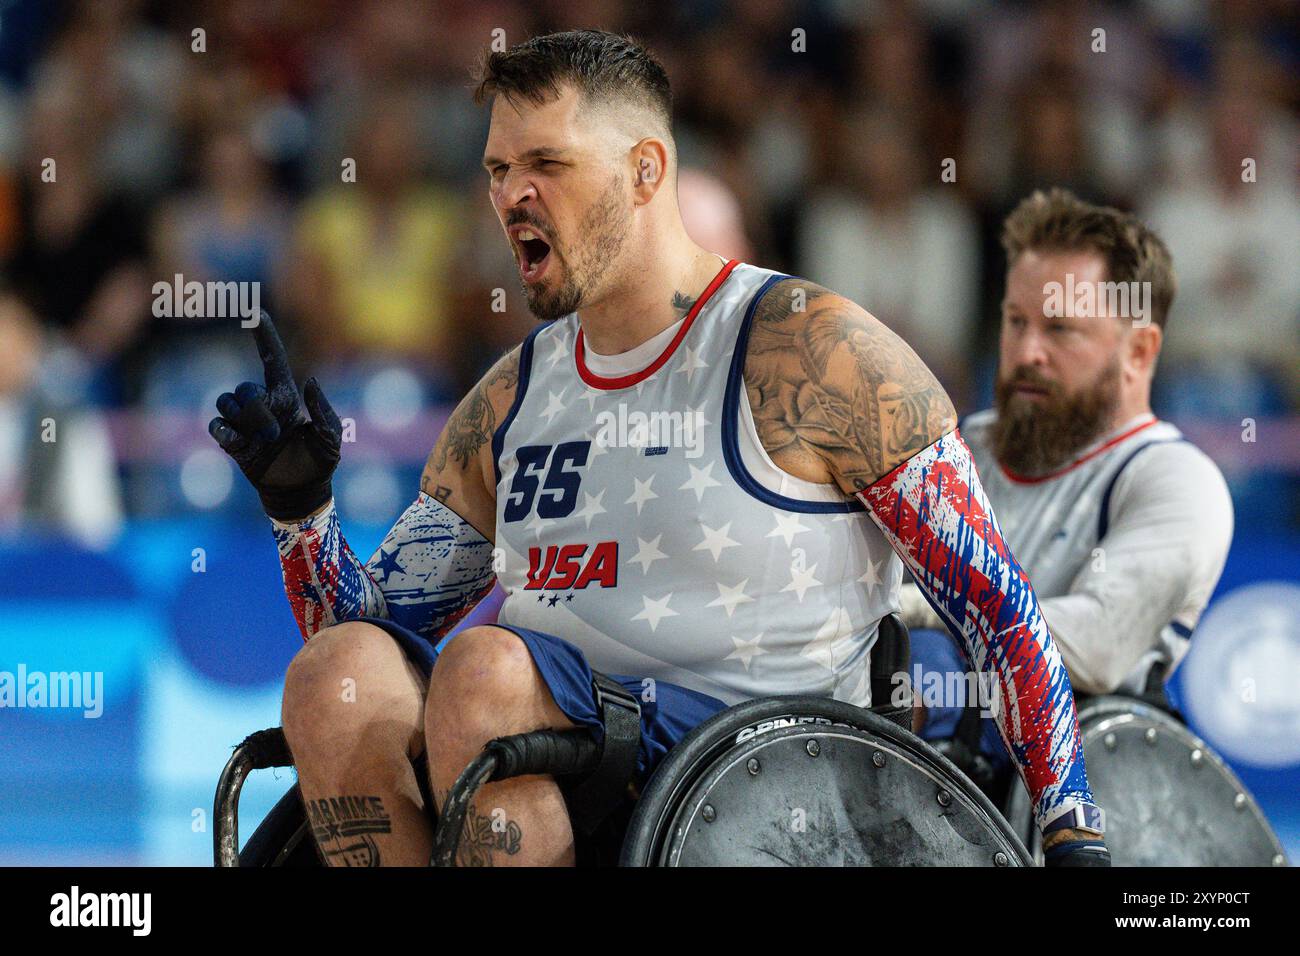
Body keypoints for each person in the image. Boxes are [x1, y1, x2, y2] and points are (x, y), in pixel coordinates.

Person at [209, 31, 1107, 867]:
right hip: (560, 765)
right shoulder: (510, 398)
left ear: (647, 170)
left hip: (784, 785)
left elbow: (998, 607)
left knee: (482, 674)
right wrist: (301, 510)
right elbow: (371, 640)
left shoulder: (811, 351)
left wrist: (1073, 837)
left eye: (546, 164)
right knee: (336, 680)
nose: (511, 195)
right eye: (497, 169)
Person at [903, 188, 1233, 788]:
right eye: (1015, 321)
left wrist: (915, 613)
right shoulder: (954, 449)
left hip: (1076, 788)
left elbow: (1097, 646)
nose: (1027, 352)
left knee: (921, 665)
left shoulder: (1176, 478)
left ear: (1139, 351)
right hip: (945, 763)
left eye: (1060, 330)